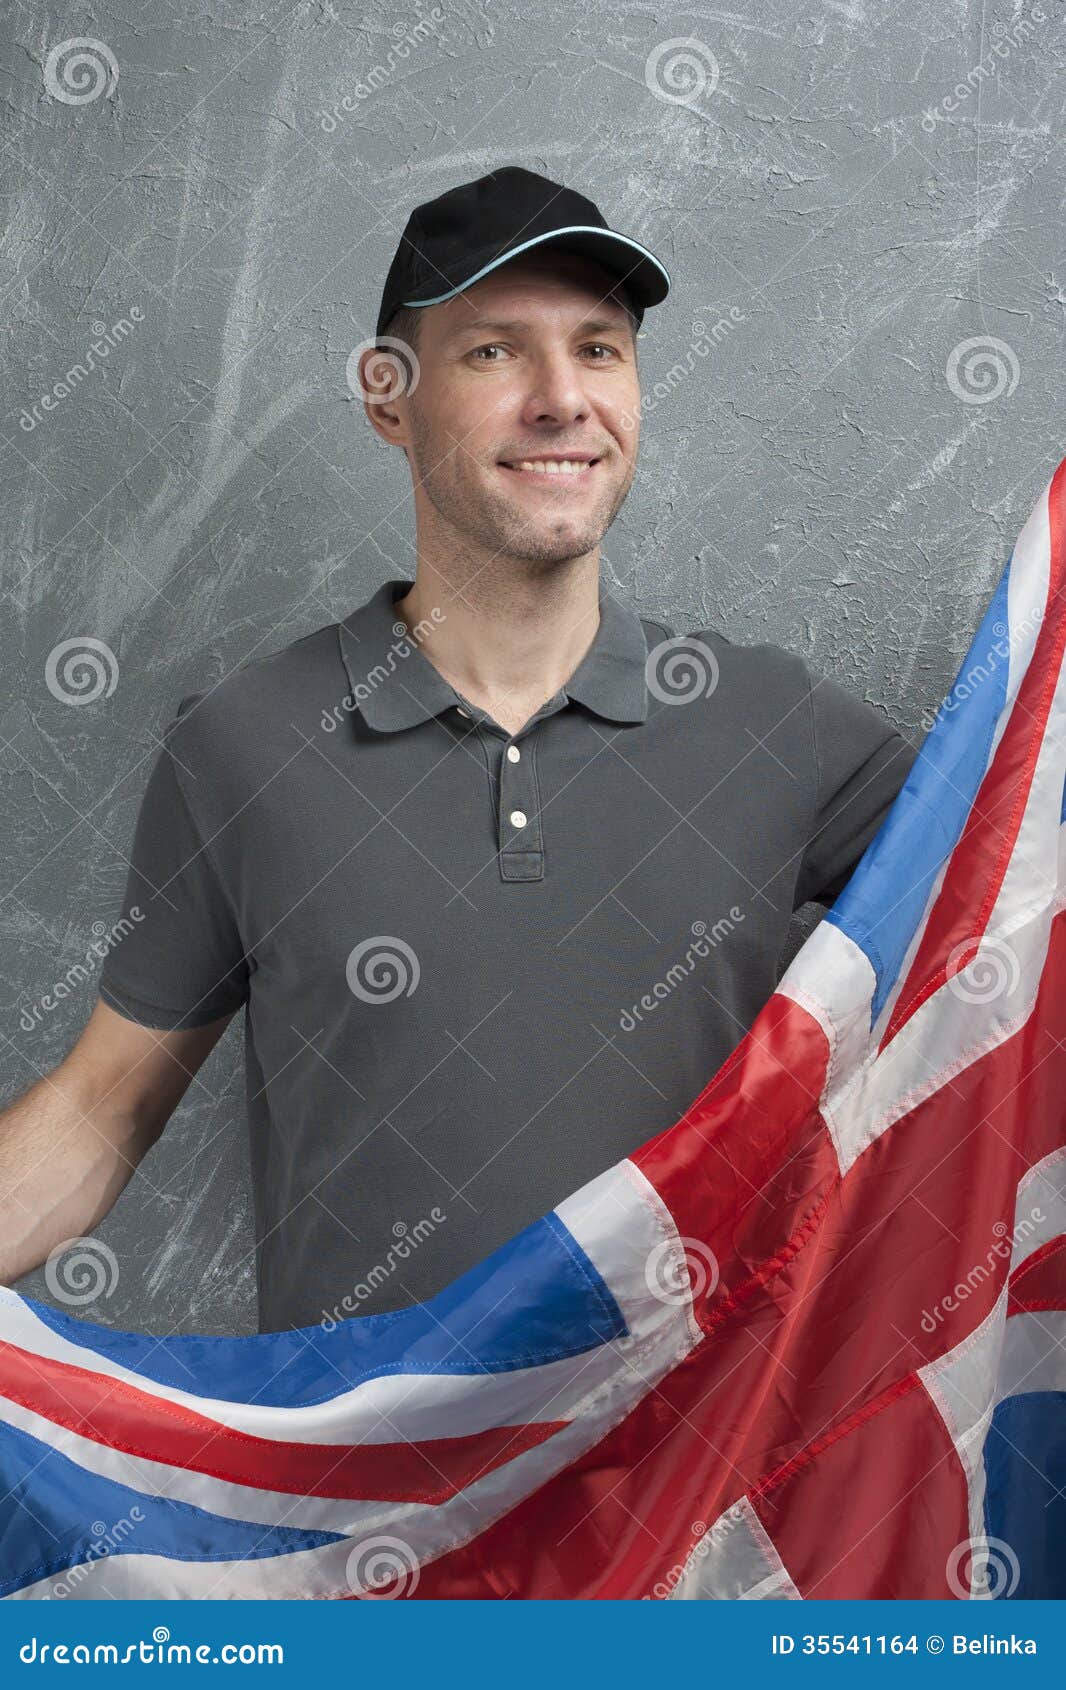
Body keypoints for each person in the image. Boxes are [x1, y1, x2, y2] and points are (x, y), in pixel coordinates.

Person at [0, 167, 918, 1332]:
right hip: (363, 1504)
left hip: (691, 1491)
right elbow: (101, 1110)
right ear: (389, 397)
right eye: (494, 352)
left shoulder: (781, 727)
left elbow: (1010, 912)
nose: (560, 398)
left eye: (598, 349)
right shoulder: (241, 747)